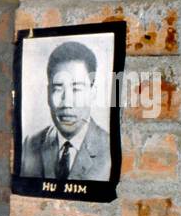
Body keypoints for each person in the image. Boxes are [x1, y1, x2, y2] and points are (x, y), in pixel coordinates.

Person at [19, 40, 112, 181]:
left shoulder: (109, 149)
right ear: (47, 94)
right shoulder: (31, 145)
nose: (66, 102)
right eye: (57, 89)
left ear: (93, 93)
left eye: (76, 89)